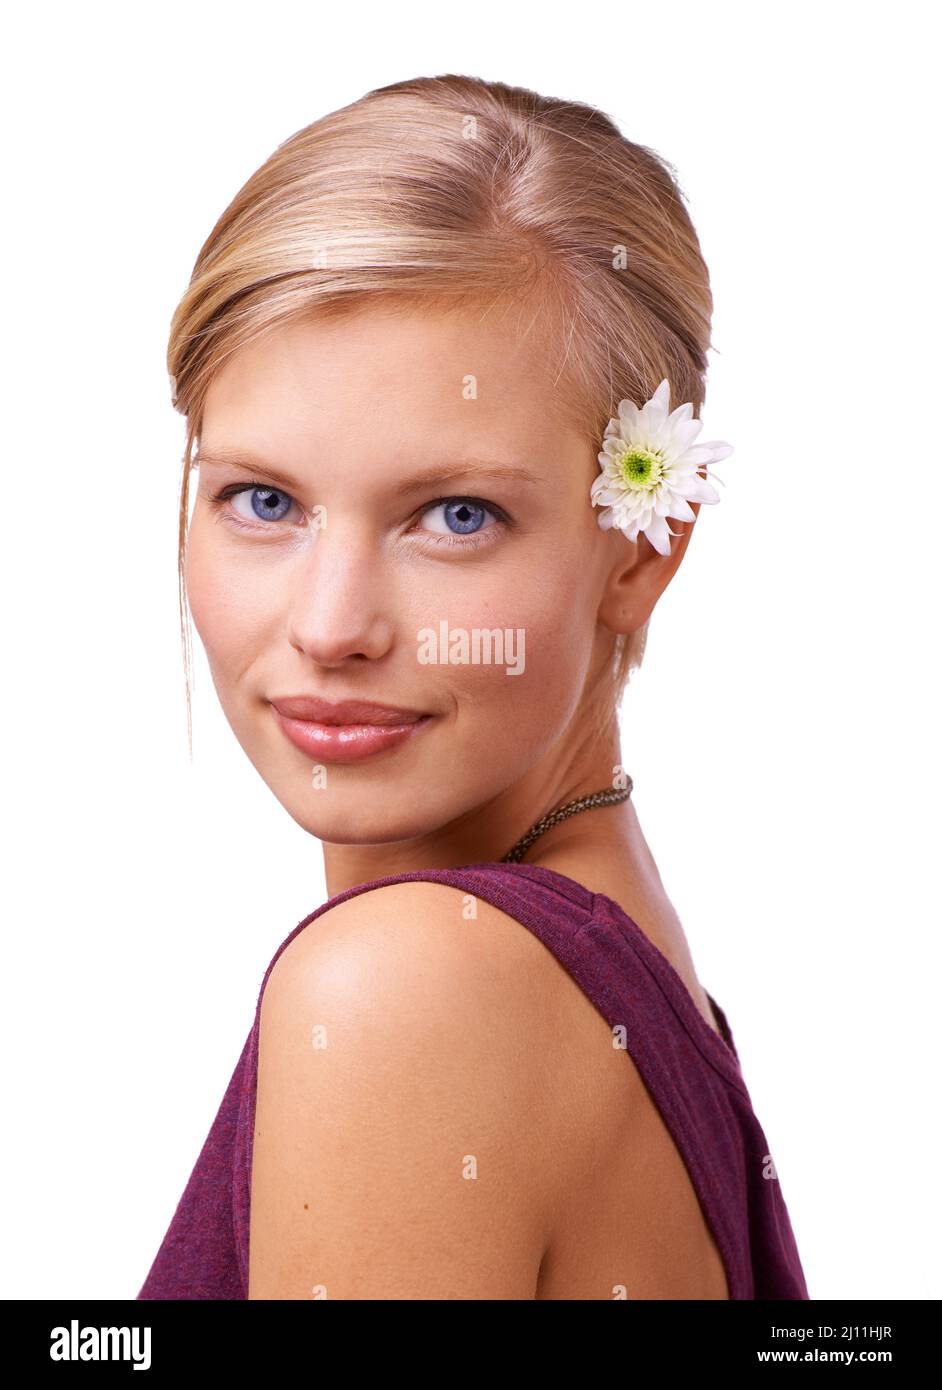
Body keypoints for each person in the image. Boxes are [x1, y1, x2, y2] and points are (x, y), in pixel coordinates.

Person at [137, 72, 808, 1300]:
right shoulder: (607, 960)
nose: (332, 625)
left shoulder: (413, 986)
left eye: (456, 515)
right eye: (264, 500)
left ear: (643, 547)